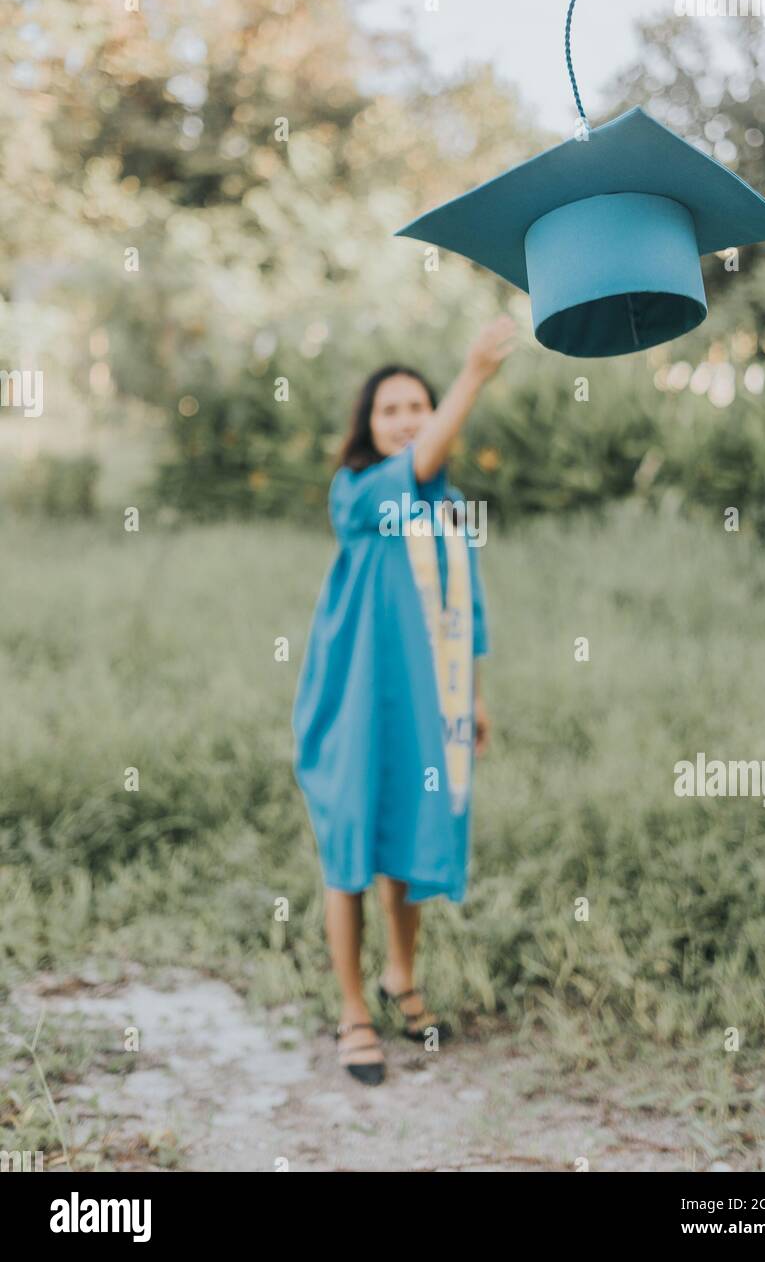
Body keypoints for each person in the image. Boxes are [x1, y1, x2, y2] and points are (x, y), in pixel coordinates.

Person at [292, 315, 517, 1084]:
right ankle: (354, 1011)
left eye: (417, 405)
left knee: (406, 841)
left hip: (427, 705)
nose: (406, 419)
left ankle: (401, 977)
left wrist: (477, 699)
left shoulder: (448, 513)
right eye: (390, 409)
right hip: (355, 699)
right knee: (349, 849)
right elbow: (418, 465)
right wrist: (473, 374)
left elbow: (468, 613)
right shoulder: (359, 493)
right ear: (368, 424)